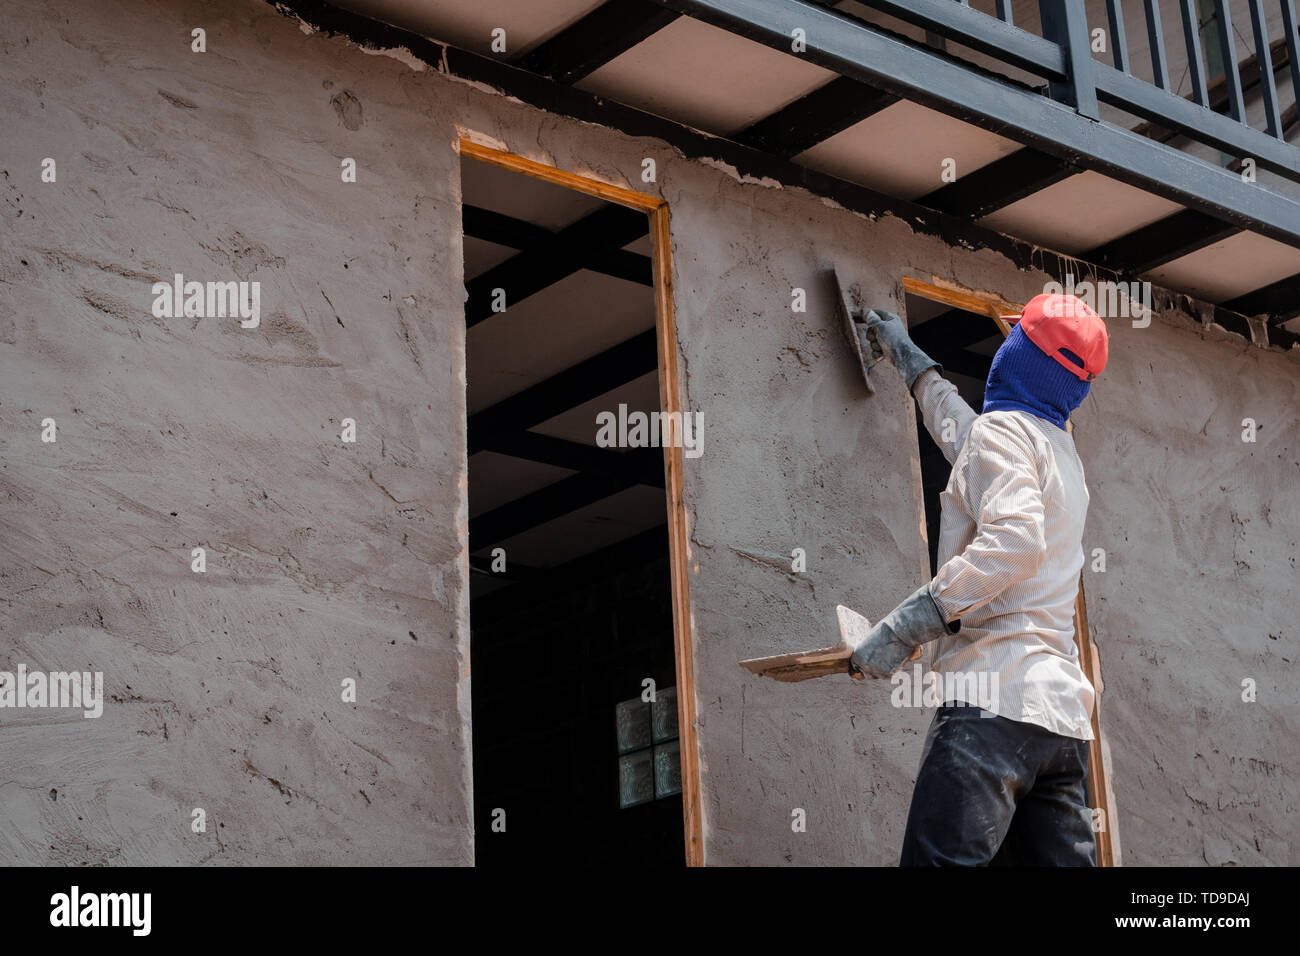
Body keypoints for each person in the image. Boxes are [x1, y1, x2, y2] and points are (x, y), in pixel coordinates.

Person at [847, 293, 1109, 866]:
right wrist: (910, 361)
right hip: (1058, 727)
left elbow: (1012, 545)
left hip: (991, 706)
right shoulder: (1057, 452)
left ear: (1022, 356)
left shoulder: (1005, 435)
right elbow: (966, 440)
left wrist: (902, 628)